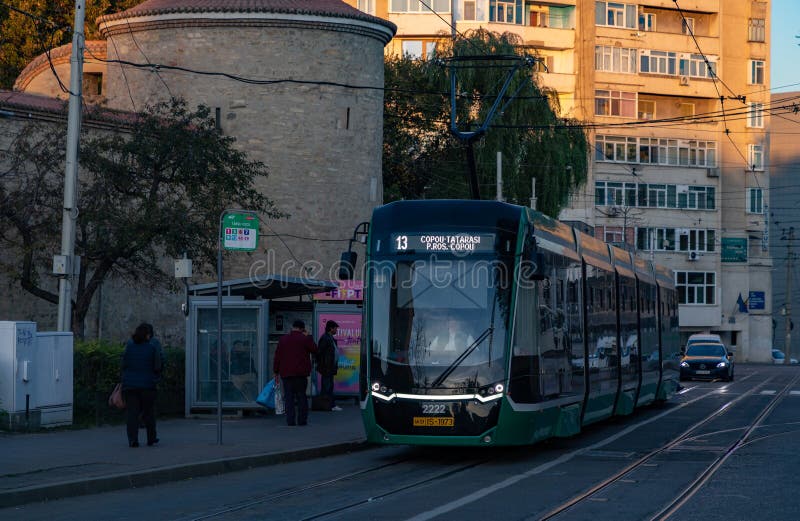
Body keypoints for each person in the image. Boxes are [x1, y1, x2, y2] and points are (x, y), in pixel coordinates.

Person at [121, 323, 162, 447]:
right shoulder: (151, 348)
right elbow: (158, 366)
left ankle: (133, 439)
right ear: (148, 335)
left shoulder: (129, 347)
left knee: (132, 414)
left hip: (130, 386)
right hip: (148, 386)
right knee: (149, 412)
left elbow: (124, 364)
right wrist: (156, 378)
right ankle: (151, 438)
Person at [273, 320, 318, 426]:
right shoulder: (305, 339)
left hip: (286, 374)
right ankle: (302, 421)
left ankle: (290, 421)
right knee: (301, 396)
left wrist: (276, 371)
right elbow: (315, 350)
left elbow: (277, 356)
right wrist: (309, 336)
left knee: (289, 397)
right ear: (302, 329)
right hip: (301, 374)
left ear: (292, 327)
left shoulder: (283, 339)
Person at [316, 320, 341, 411]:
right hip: (327, 368)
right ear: (331, 328)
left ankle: (329, 405)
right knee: (327, 387)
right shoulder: (325, 338)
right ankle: (328, 406)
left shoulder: (330, 338)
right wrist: (323, 365)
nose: (336, 330)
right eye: (335, 328)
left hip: (330, 368)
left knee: (329, 386)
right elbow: (319, 353)